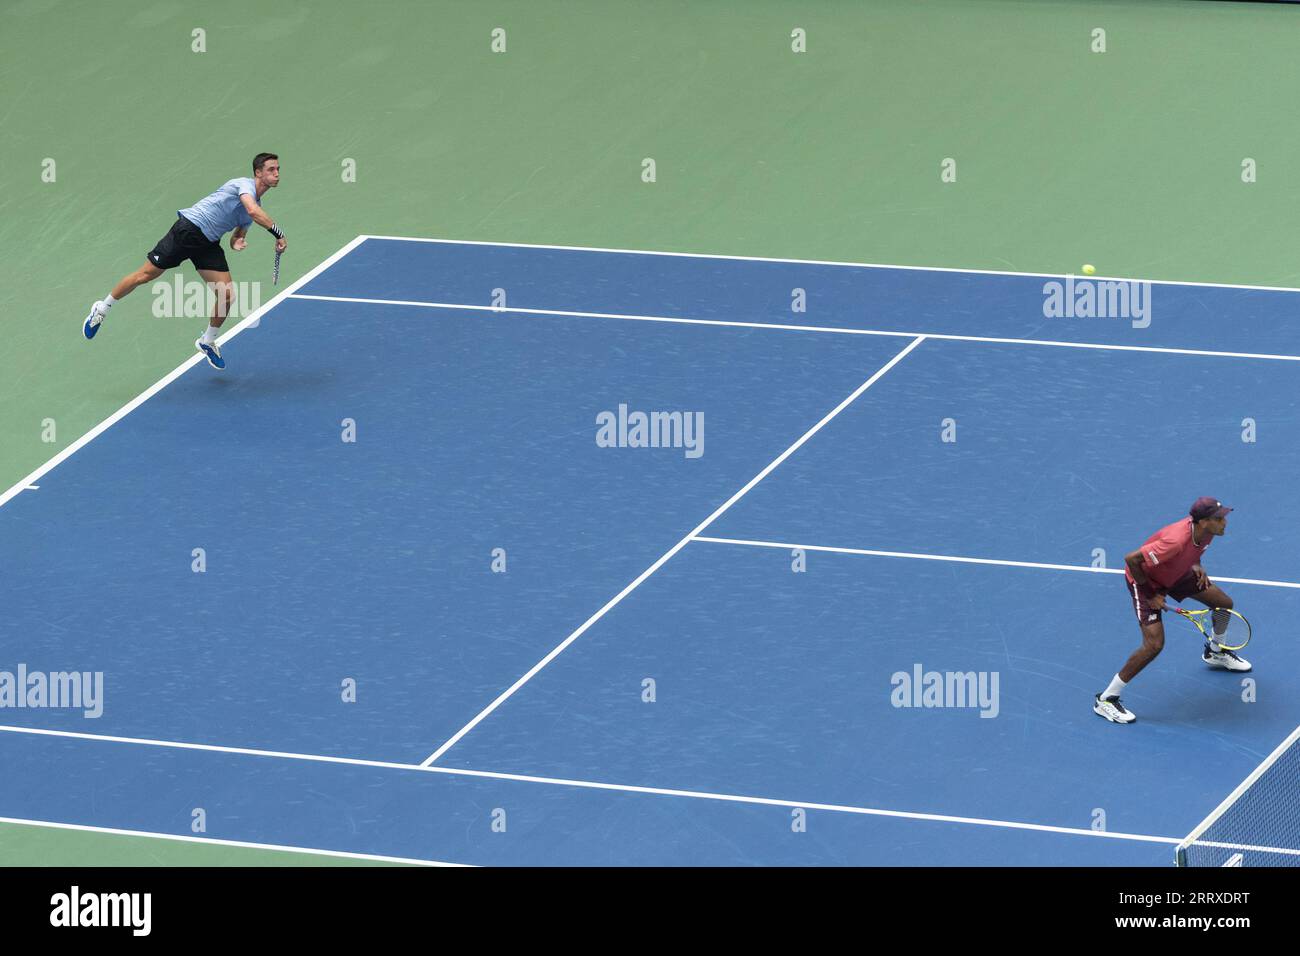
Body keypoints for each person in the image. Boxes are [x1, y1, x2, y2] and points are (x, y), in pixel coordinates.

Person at [82, 153, 287, 369]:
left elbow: (238, 234)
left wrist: (237, 242)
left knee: (227, 295)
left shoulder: (256, 204)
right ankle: (102, 308)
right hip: (188, 230)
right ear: (257, 173)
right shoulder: (243, 185)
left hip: (208, 243)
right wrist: (279, 234)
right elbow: (253, 211)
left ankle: (207, 341)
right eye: (271, 169)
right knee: (145, 275)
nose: (277, 174)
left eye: (278, 169)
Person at [1094, 497, 1250, 725]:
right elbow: (1132, 560)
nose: (1224, 522)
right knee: (1154, 645)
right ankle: (1107, 699)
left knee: (1223, 604)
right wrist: (1151, 594)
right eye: (1219, 519)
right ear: (1203, 521)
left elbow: (1192, 553)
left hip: (1176, 575)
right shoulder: (1175, 541)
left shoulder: (1207, 533)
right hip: (1144, 581)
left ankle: (1216, 652)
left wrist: (1196, 565)